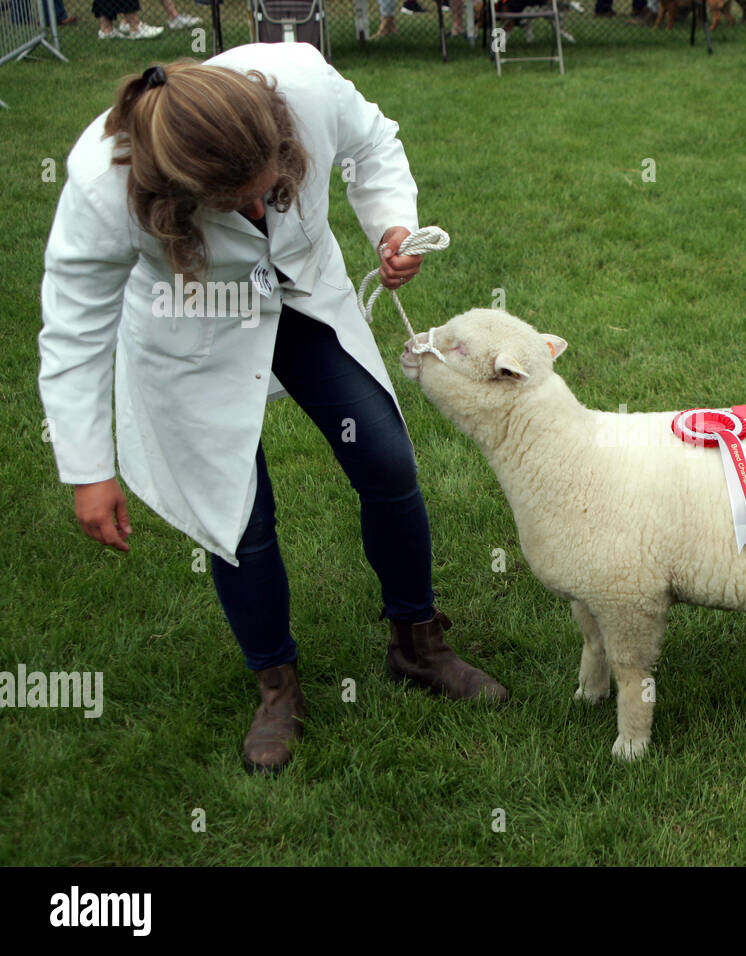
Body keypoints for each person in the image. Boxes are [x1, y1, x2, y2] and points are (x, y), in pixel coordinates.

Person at [38, 43, 508, 776]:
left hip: (302, 294)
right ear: (177, 196)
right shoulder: (105, 185)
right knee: (240, 515)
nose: (260, 209)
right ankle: (276, 686)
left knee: (385, 457)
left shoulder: (304, 82)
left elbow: (373, 141)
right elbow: (74, 326)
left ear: (280, 131)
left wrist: (390, 223)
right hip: (191, 327)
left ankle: (418, 645)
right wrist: (88, 467)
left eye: (272, 187)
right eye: (238, 204)